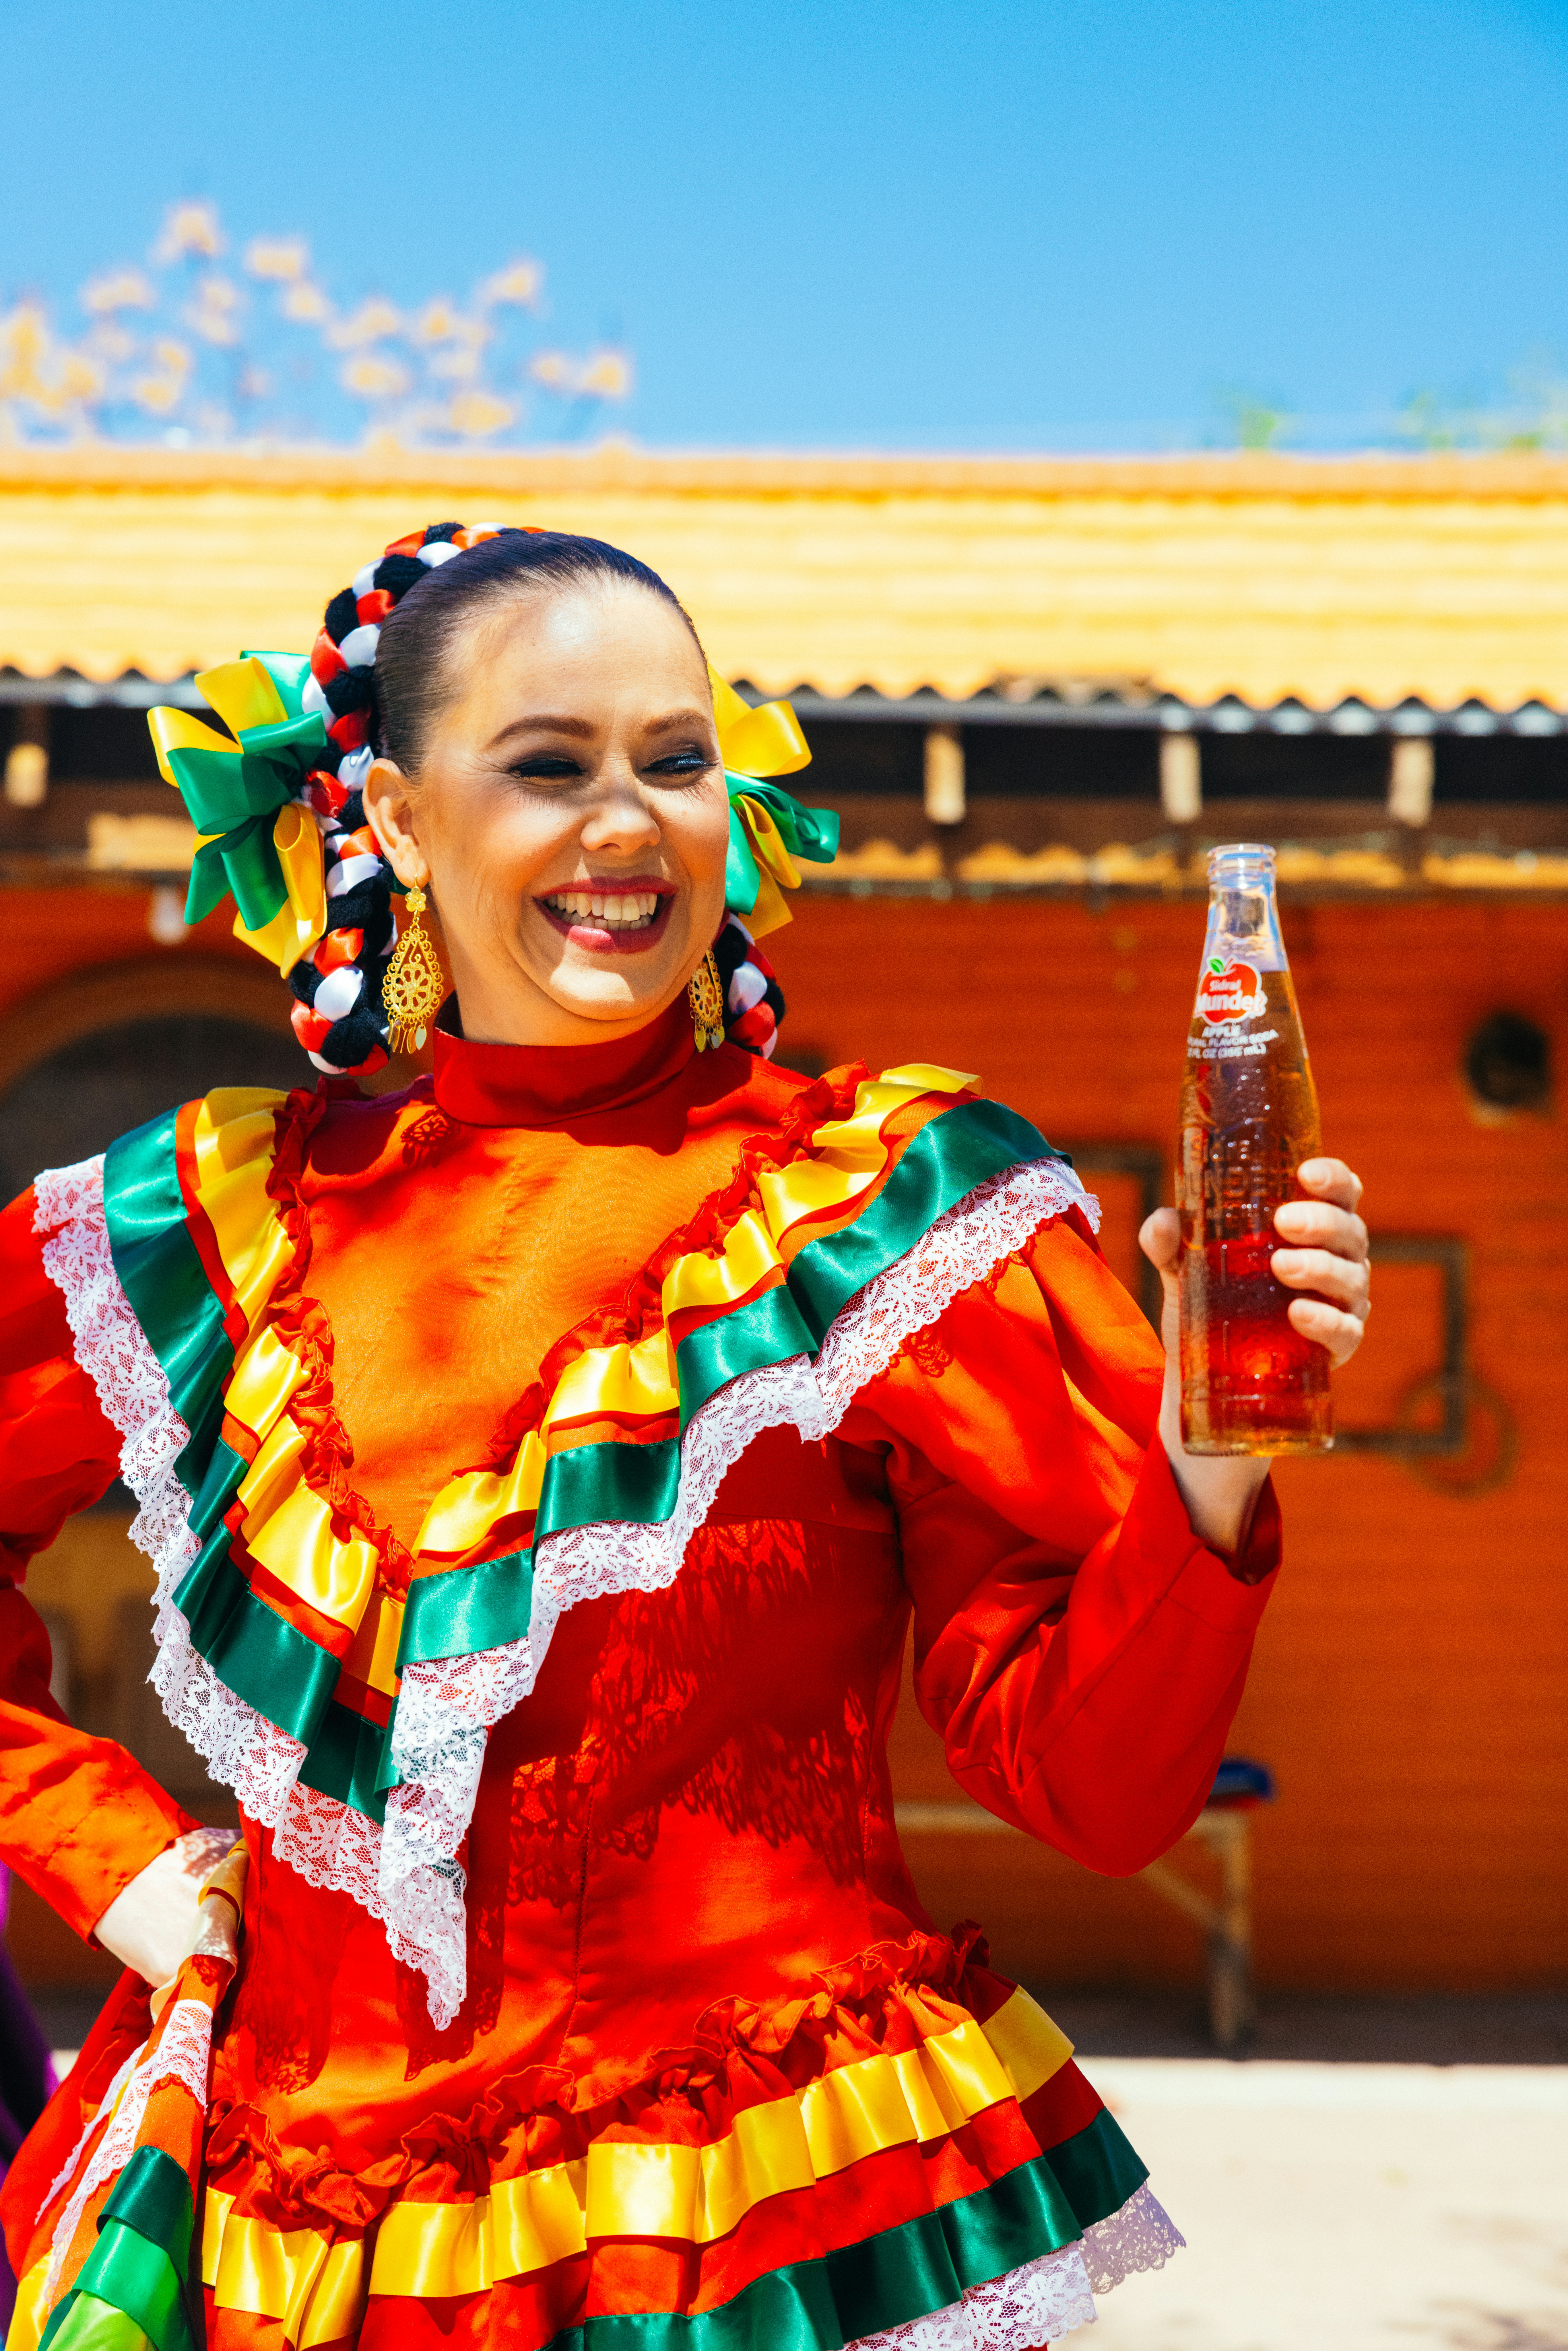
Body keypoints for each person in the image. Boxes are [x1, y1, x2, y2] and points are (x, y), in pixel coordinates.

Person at [0, 525, 1370, 2351]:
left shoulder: (885, 1208)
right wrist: (118, 1863)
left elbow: (1101, 1794)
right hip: (292, 2236)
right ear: (398, 821)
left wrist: (1212, 1449)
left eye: (674, 756)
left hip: (751, 2234)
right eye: (549, 766)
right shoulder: (214, 1223)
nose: (626, 823)